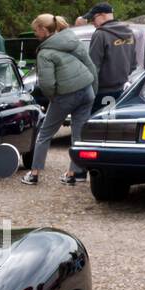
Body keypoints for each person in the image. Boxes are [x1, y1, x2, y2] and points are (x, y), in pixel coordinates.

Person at [23, 14, 96, 186]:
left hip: (66, 95)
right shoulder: (71, 40)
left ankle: (34, 174)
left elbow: (47, 84)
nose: (35, 34)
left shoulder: (45, 52)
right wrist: (95, 88)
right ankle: (74, 174)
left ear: (43, 29)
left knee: (45, 134)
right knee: (78, 135)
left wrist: (53, 99)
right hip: (87, 90)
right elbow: (89, 64)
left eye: (35, 30)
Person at [83, 2, 137, 111]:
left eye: (93, 19)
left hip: (101, 92)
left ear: (102, 15)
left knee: (95, 126)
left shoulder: (100, 34)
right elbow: (133, 64)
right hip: (122, 91)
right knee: (113, 125)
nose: (92, 22)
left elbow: (93, 66)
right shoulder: (129, 33)